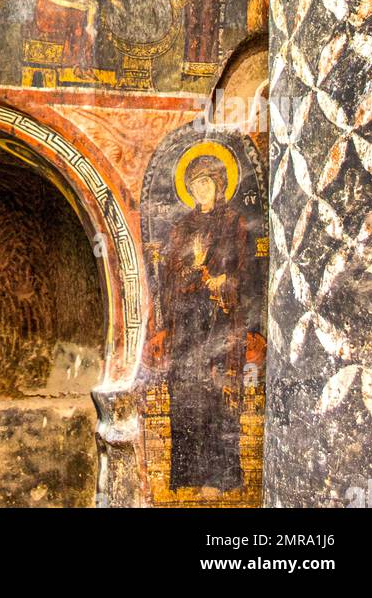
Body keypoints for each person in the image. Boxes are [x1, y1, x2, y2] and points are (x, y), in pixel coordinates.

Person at [156, 152, 251, 493]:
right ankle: (188, 477)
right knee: (186, 398)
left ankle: (222, 479)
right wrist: (195, 268)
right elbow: (168, 279)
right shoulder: (181, 228)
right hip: (188, 326)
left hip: (221, 328)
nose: (201, 190)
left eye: (207, 182)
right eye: (195, 184)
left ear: (220, 185)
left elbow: (246, 275)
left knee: (219, 399)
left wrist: (223, 281)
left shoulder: (235, 224)